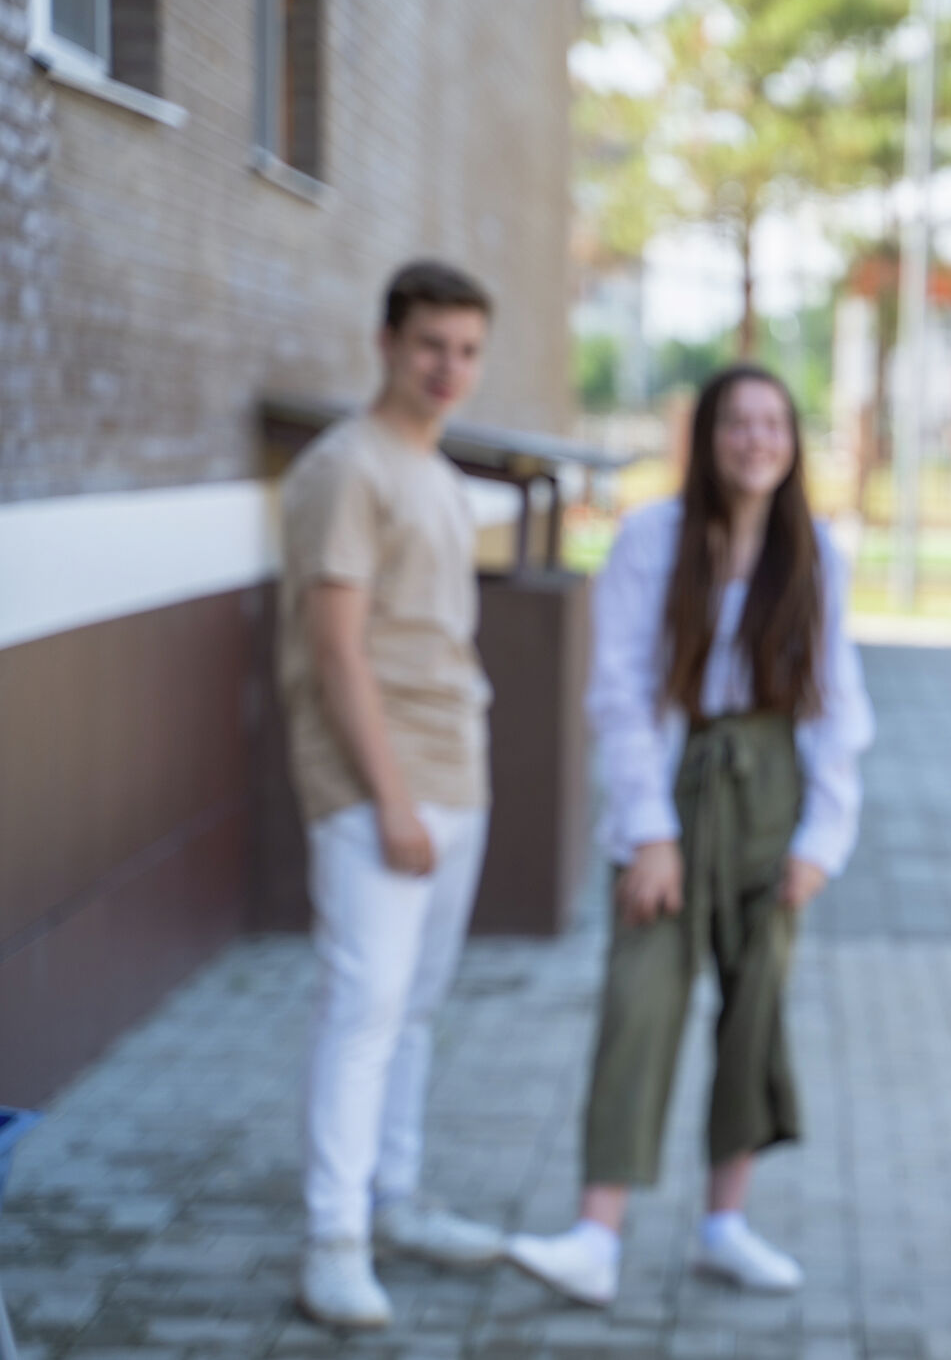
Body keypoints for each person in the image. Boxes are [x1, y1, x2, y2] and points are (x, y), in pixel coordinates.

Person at [506, 363, 874, 1308]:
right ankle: (597, 1232)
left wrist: (821, 839)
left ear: (792, 443)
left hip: (773, 792)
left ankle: (725, 1225)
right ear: (707, 437)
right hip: (677, 783)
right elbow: (619, 693)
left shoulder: (817, 551)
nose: (756, 439)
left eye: (773, 423)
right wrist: (649, 832)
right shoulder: (651, 538)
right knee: (641, 998)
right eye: (736, 423)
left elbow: (836, 700)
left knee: (754, 1011)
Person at [277, 260, 508, 1328]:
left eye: (465, 349)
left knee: (413, 1009)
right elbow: (334, 654)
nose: (447, 368)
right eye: (430, 346)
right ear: (385, 341)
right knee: (363, 1008)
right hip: (380, 786)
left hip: (453, 770)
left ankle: (395, 1198)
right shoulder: (345, 467)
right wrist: (391, 799)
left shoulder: (436, 470)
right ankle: (332, 1242)